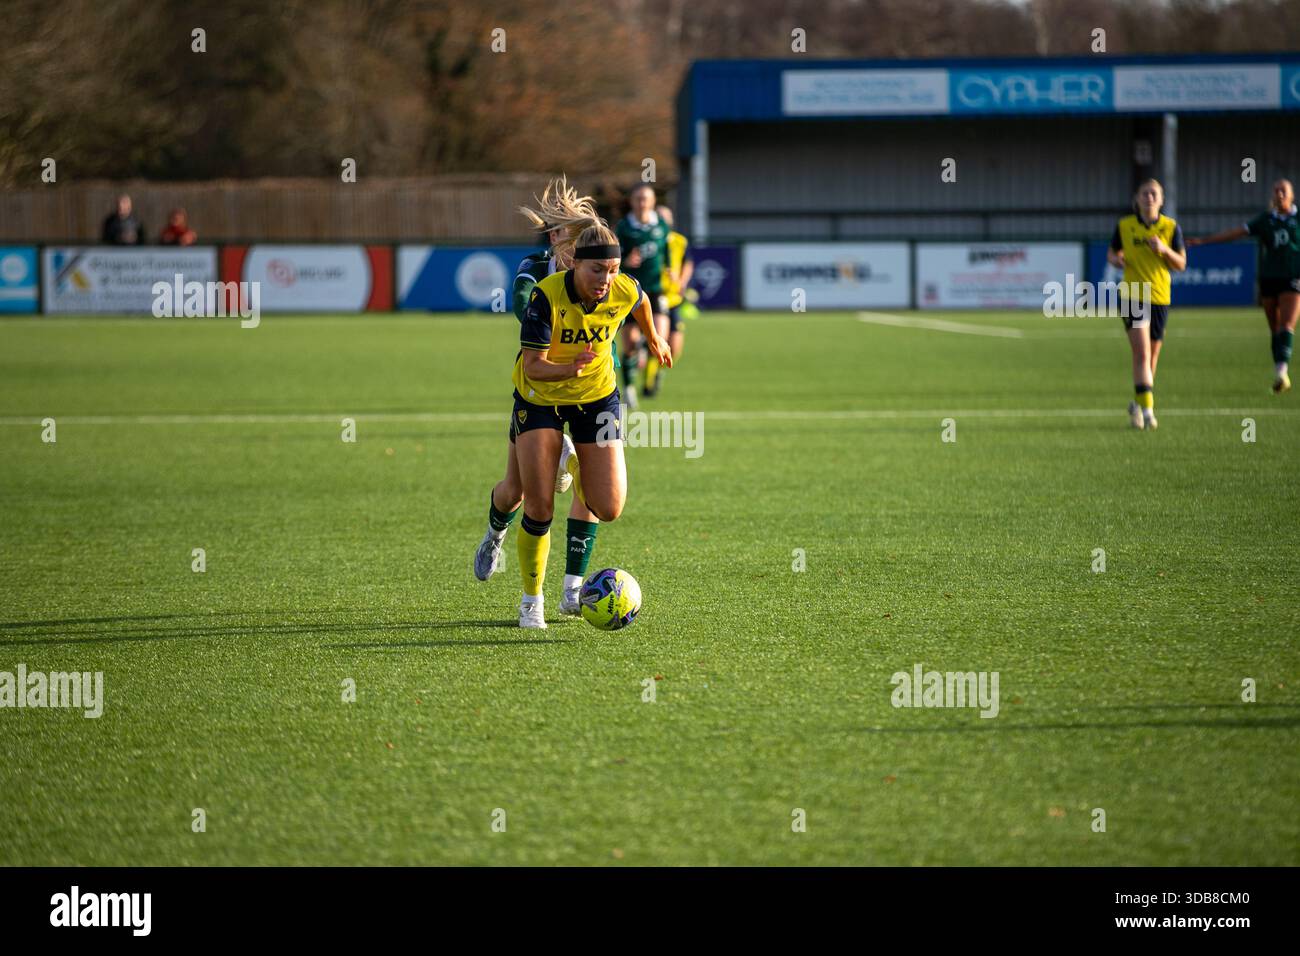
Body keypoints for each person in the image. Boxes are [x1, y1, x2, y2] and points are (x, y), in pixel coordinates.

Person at [509, 222, 672, 628]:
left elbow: (641, 299)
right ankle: (532, 601)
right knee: (539, 506)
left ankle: (573, 460)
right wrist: (571, 366)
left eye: (613, 269)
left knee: (610, 506)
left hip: (597, 399)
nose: (606, 279)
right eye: (597, 269)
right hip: (541, 398)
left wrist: (654, 338)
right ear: (576, 265)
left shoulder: (623, 287)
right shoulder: (545, 297)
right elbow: (533, 366)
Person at [473, 178, 607, 620]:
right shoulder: (534, 268)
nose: (562, 243)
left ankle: (570, 588)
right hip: (541, 387)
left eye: (571, 237)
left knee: (591, 484)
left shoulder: (599, 275)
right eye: (562, 236)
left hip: (588, 388)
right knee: (518, 492)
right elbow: (520, 303)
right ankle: (495, 533)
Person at [1187, 178, 1299, 393]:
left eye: (1283, 190)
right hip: (1269, 278)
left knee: (1286, 325)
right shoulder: (1266, 220)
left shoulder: (1298, 218)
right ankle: (1279, 371)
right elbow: (1237, 232)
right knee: (1274, 328)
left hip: (1292, 277)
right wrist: (1205, 241)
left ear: (1292, 195)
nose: (1280, 194)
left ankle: (1282, 373)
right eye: (1276, 190)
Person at [1107, 179, 1187, 430]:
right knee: (1141, 353)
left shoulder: (1171, 228)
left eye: (1154, 194)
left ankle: (1137, 404)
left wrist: (1164, 249)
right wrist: (1117, 260)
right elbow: (1111, 253)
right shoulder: (1125, 226)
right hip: (1133, 293)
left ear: (1161, 199)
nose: (1149, 197)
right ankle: (1149, 412)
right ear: (1137, 198)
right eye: (1145, 193)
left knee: (1151, 359)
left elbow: (1181, 264)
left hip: (1160, 296)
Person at [614, 184, 671, 408]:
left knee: (658, 336)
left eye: (646, 198)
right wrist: (626, 261)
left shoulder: (661, 225)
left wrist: (669, 268)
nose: (642, 203)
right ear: (632, 201)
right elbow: (614, 256)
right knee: (629, 344)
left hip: (656, 290)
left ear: (653, 201)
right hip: (631, 290)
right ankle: (628, 389)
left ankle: (651, 376)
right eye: (638, 198)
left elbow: (665, 250)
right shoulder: (624, 227)